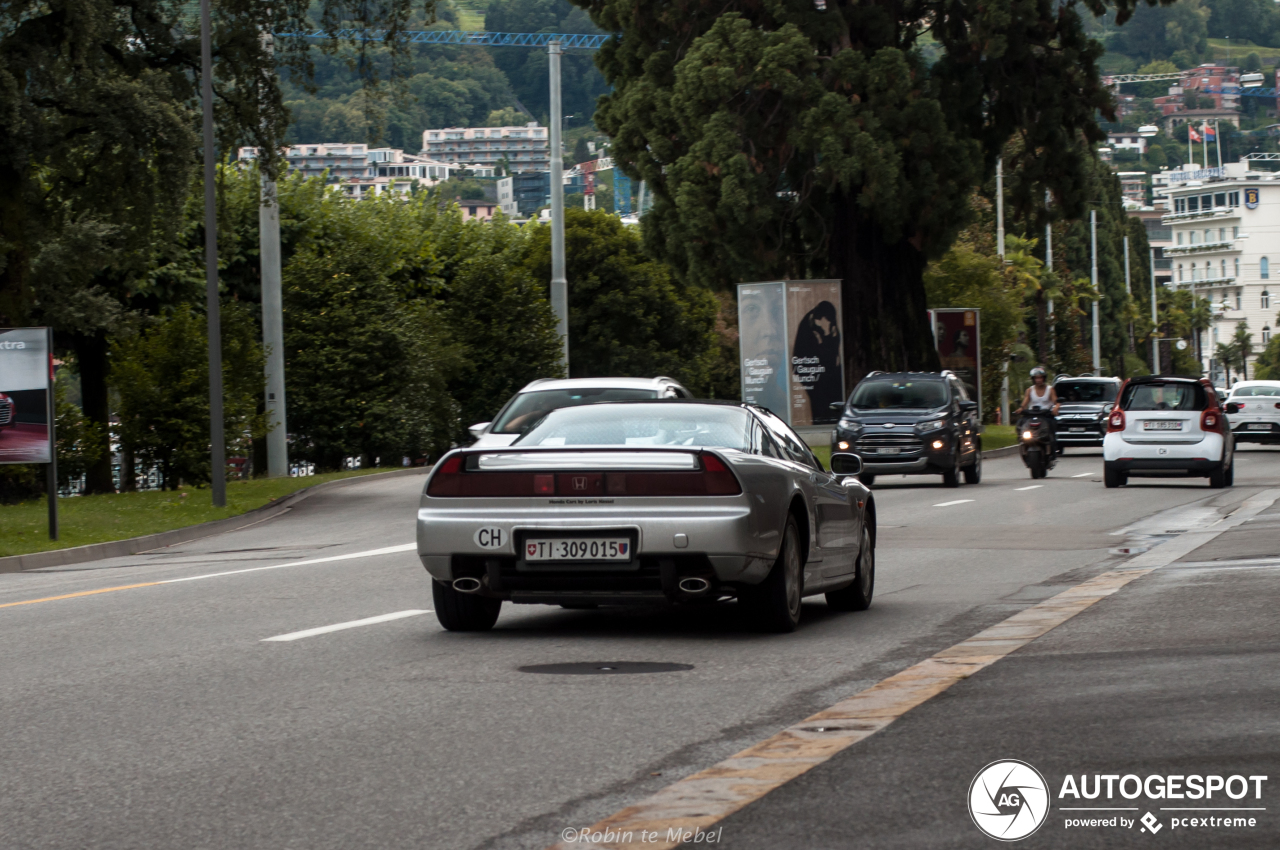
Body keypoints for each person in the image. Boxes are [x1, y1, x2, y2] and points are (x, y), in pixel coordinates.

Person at [1014, 367, 1061, 454]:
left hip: (1046, 415)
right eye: (1036, 378)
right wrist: (1021, 409)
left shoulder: (1050, 389)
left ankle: (1053, 449)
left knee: (1052, 426)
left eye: (1040, 377)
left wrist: (1056, 407)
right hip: (1032, 415)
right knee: (1021, 423)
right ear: (1033, 379)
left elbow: (1056, 402)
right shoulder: (1029, 390)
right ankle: (1023, 444)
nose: (1038, 380)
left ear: (1044, 378)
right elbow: (1025, 402)